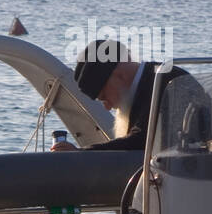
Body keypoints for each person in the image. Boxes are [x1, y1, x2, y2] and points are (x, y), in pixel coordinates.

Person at [52, 40, 187, 151]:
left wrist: (81, 154)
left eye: (104, 96)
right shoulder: (150, 79)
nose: (107, 107)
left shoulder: (164, 81)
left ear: (118, 75)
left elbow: (140, 142)